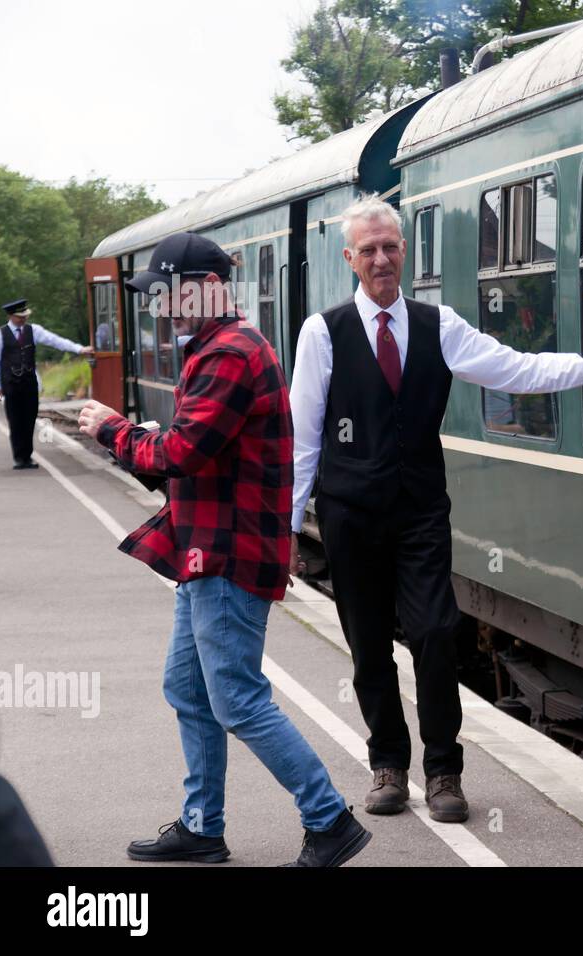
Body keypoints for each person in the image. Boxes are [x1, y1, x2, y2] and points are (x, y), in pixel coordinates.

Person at [289, 195, 583, 821]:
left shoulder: (438, 325)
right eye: (367, 249)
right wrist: (287, 526)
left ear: (404, 251)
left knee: (433, 633)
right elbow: (304, 436)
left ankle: (444, 772)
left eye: (390, 246)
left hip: (420, 510)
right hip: (348, 514)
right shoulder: (324, 332)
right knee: (369, 645)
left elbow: (516, 370)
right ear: (349, 258)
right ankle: (388, 765)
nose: (380, 259)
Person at [78, 232, 370, 867]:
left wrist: (113, 431)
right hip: (207, 548)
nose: (164, 308)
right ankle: (201, 825)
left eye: (170, 294)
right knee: (187, 687)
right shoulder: (217, 347)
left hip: (227, 552)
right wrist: (146, 438)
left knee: (235, 694)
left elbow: (182, 454)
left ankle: (328, 819)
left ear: (209, 288)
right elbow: (194, 449)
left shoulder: (229, 353)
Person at [0, 299, 93, 469]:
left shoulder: (34, 331)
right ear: (11, 316)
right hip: (10, 385)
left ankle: (27, 456)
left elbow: (55, 341)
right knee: (15, 421)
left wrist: (79, 349)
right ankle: (20, 458)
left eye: (25, 316)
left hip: (29, 384)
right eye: (20, 317)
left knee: (29, 420)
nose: (23, 319)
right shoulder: (0, 335)